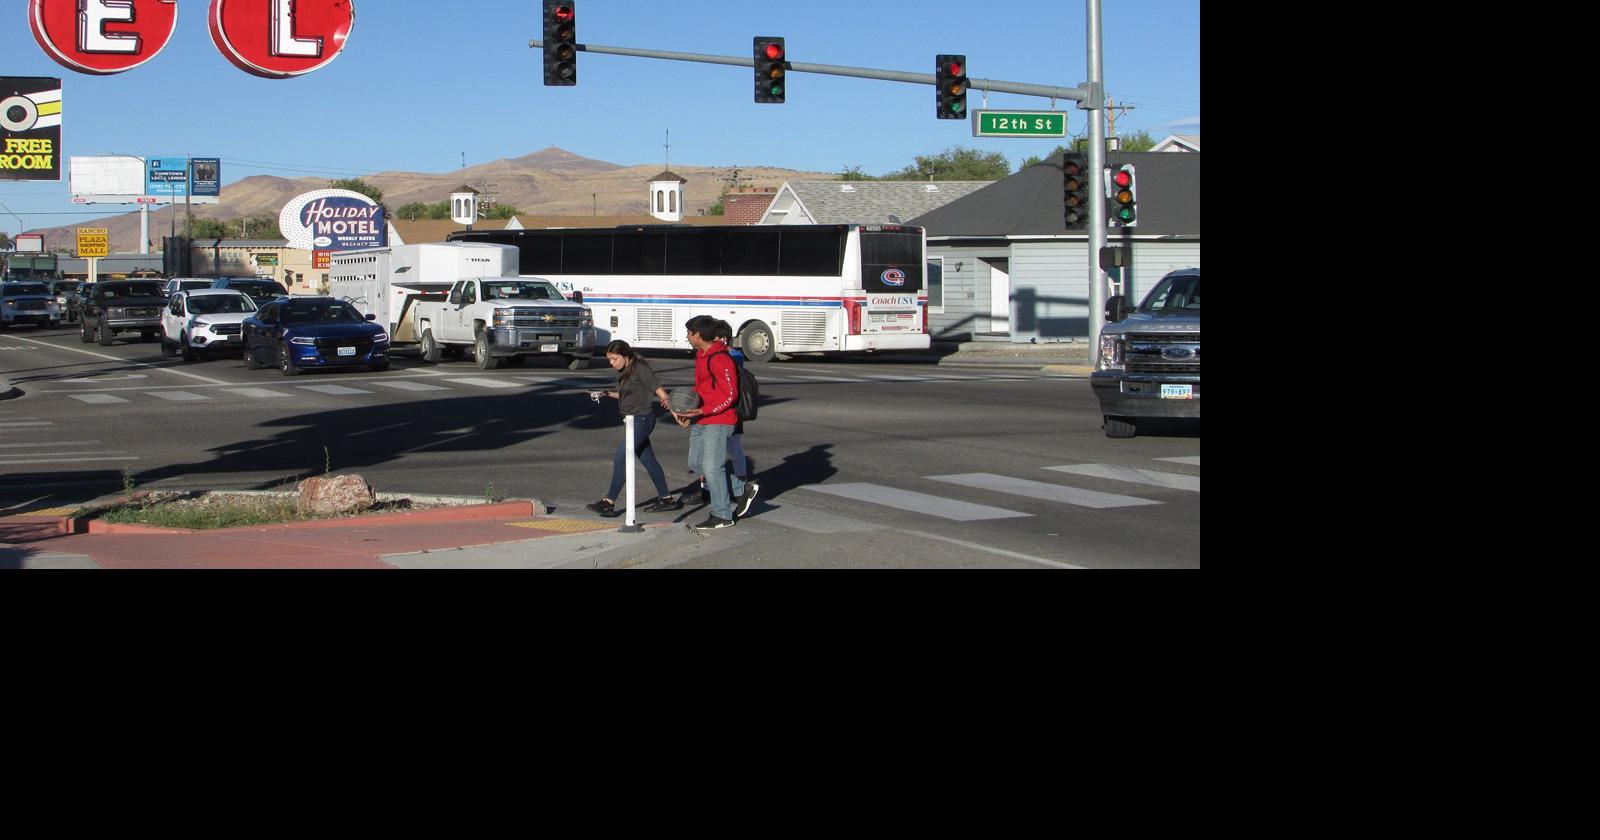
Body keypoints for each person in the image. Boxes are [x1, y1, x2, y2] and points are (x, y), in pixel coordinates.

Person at [585, 340, 681, 517]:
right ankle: (667, 499)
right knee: (649, 461)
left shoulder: (640, 369)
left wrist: (675, 411)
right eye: (609, 359)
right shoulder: (624, 371)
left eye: (614, 359)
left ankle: (608, 502)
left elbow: (660, 391)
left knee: (621, 457)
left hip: (642, 419)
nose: (611, 363)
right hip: (631, 420)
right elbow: (626, 394)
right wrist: (606, 393)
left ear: (626, 356)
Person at [671, 315, 745, 530]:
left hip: (719, 420)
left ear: (698, 335)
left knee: (712, 469)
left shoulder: (720, 358)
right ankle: (740, 487)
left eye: (689, 333)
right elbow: (701, 390)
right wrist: (688, 413)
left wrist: (705, 410)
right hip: (701, 418)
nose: (687, 336)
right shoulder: (701, 355)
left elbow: (730, 394)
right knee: (696, 463)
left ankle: (722, 514)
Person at [713, 320, 760, 518]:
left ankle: (741, 490)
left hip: (730, 409)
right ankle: (737, 490)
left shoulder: (732, 356)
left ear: (722, 339)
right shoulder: (729, 355)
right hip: (727, 409)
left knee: (729, 449)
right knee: (728, 449)